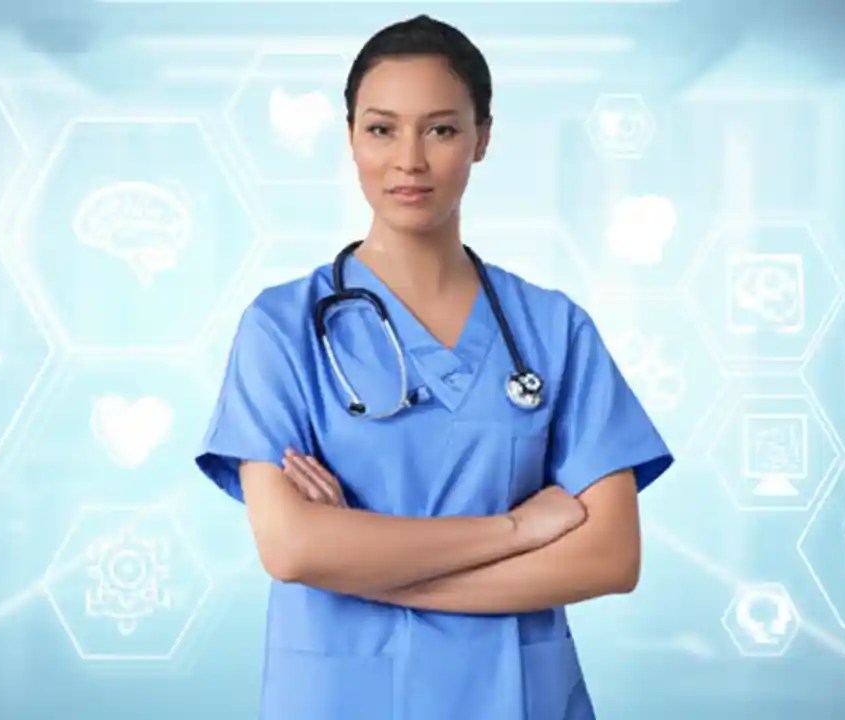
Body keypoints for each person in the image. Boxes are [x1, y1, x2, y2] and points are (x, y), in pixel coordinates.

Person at [195, 14, 673, 720]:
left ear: (482, 138)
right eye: (382, 129)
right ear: (351, 135)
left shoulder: (552, 328)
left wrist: (366, 570)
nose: (409, 160)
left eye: (441, 129)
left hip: (519, 696)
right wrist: (515, 530)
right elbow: (293, 547)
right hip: (341, 697)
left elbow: (608, 557)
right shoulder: (281, 328)